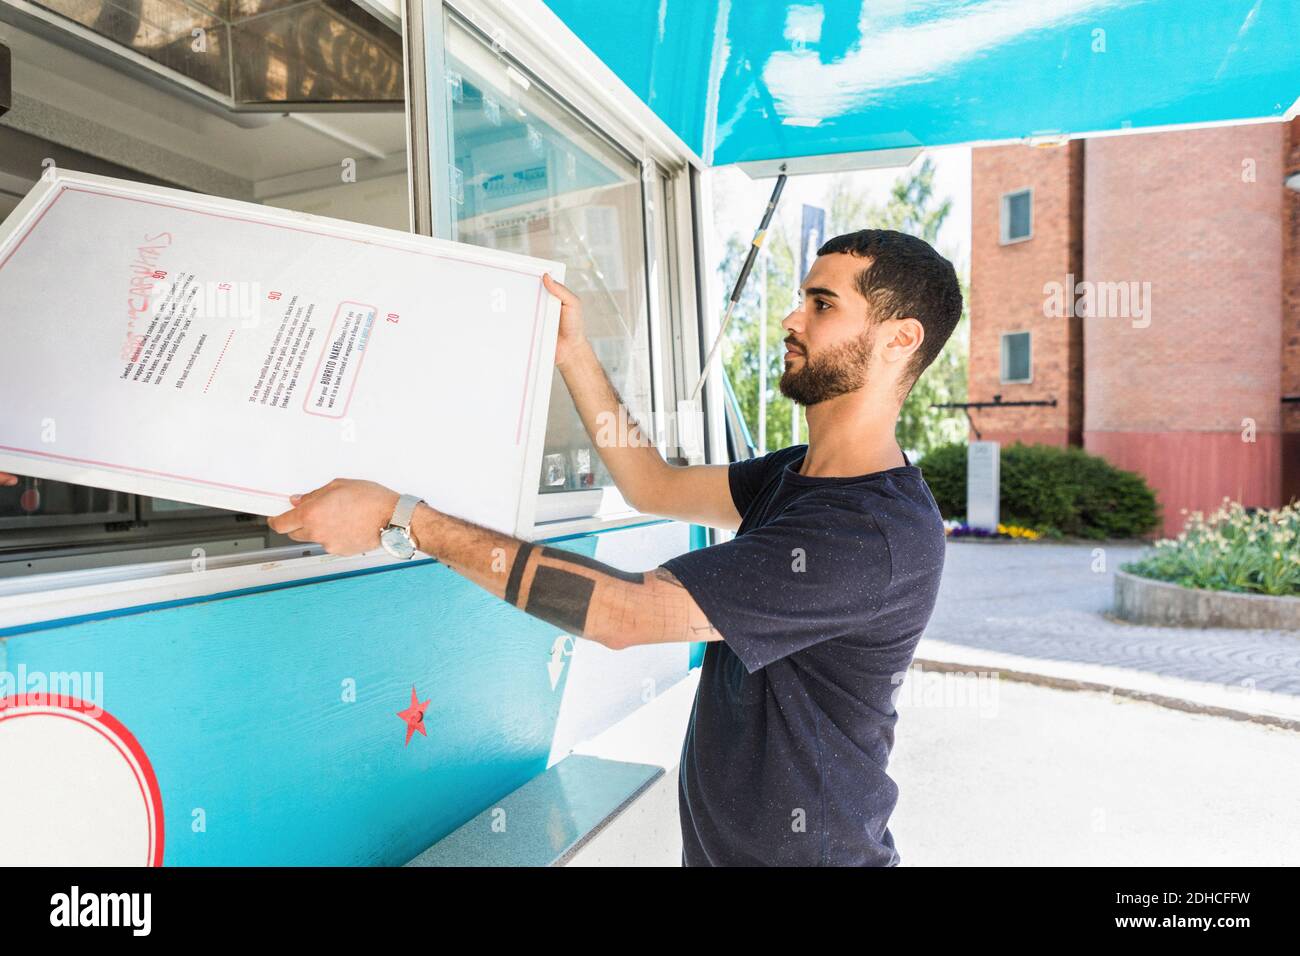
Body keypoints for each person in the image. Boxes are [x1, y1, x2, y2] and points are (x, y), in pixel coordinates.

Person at [9, 228, 964, 866]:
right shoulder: (796, 478)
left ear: (898, 341)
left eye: (823, 304)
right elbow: (651, 484)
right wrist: (574, 356)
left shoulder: (869, 537)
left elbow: (628, 616)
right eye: (799, 297)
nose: (792, 319)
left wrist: (405, 517)